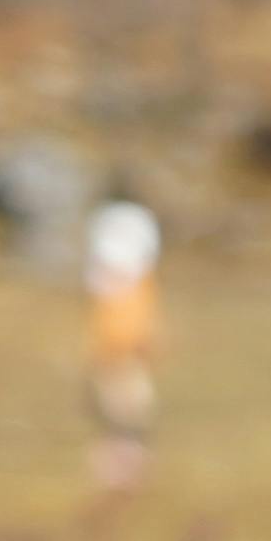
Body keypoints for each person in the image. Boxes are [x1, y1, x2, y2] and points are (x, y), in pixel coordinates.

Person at [86, 197, 164, 489]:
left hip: (129, 353)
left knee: (133, 405)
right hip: (113, 354)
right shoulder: (111, 286)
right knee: (115, 405)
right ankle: (119, 458)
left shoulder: (139, 284)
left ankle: (131, 457)